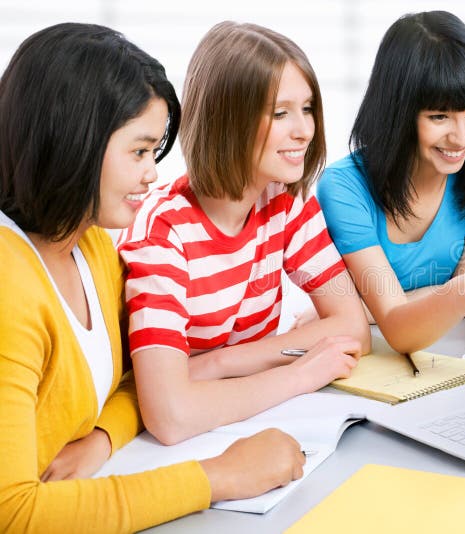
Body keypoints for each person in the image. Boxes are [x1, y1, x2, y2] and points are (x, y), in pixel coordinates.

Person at [0, 23, 308, 533]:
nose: (153, 174)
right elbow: (14, 514)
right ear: (74, 142)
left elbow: (132, 384)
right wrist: (218, 477)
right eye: (139, 152)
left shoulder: (91, 244)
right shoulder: (11, 289)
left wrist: (101, 438)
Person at [116, 22, 370, 446]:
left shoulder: (287, 202)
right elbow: (171, 417)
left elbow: (351, 326)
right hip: (182, 442)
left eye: (307, 108)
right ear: (226, 120)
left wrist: (216, 365)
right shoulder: (162, 232)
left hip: (253, 416)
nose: (304, 129)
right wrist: (302, 371)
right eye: (280, 112)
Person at [316, 11, 465, 354]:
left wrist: (365, 310)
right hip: (365, 360)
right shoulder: (344, 189)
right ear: (397, 113)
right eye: (439, 116)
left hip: (450, 353)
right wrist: (455, 295)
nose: (462, 137)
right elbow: (403, 330)